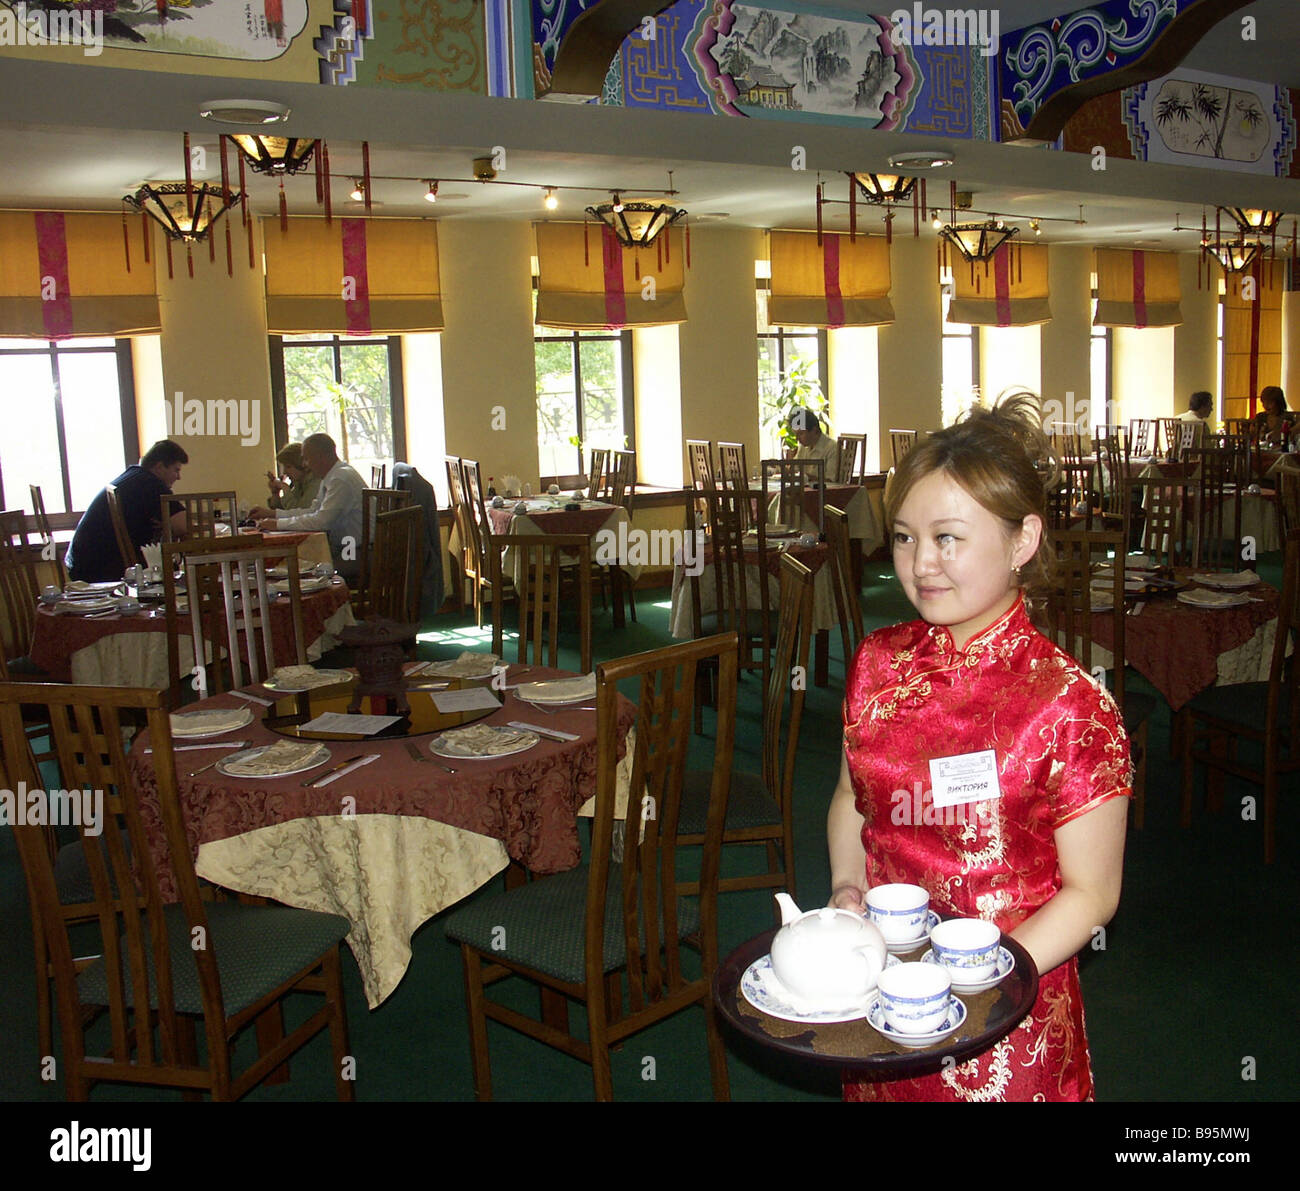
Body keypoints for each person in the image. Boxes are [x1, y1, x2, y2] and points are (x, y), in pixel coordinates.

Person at [827, 392, 1131, 1102]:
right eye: (904, 537)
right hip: (885, 994)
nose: (921, 563)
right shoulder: (877, 663)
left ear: (1023, 540)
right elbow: (851, 797)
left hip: (1004, 1019)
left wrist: (974, 976)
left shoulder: (1070, 705)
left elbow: (1093, 894)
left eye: (948, 537)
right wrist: (847, 884)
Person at [65, 440, 189, 582]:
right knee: (175, 576)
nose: (178, 477)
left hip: (83, 561)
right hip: (99, 569)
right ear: (160, 467)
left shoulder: (133, 475)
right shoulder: (149, 484)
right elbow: (184, 526)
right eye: (176, 470)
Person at [250, 433, 364, 580]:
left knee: (298, 572)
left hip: (353, 552)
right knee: (294, 567)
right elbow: (312, 511)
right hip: (344, 547)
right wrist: (275, 516)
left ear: (321, 456)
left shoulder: (340, 479)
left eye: (307, 458)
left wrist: (278, 524)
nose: (305, 464)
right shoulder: (331, 476)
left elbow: (321, 521)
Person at [265, 442, 321, 512]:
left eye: (288, 467)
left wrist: (285, 488)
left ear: (302, 464)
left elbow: (298, 513)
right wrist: (275, 493)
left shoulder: (316, 483)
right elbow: (282, 510)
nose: (284, 472)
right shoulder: (299, 484)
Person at [786, 407, 838, 476]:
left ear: (814, 430)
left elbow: (831, 480)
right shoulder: (803, 446)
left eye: (801, 433)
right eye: (795, 434)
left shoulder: (832, 448)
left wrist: (806, 477)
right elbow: (795, 468)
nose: (797, 438)